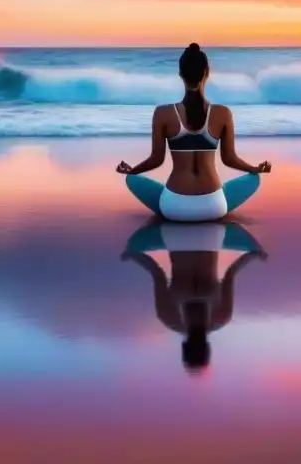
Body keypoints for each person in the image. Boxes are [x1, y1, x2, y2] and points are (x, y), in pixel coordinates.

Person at [116, 43, 271, 221]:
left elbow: (156, 160)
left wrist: (133, 170)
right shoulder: (222, 113)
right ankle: (217, 201)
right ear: (207, 73)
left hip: (174, 207)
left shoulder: (163, 113)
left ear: (180, 74)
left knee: (131, 179)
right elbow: (229, 159)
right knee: (254, 178)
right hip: (213, 206)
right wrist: (254, 168)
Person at [121, 221, 267, 374]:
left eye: (194, 347)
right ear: (206, 347)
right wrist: (253, 254)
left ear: (186, 347)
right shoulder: (221, 316)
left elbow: (157, 274)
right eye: (200, 347)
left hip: (176, 235)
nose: (197, 343)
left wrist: (133, 254)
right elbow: (230, 275)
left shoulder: (169, 317)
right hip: (209, 234)